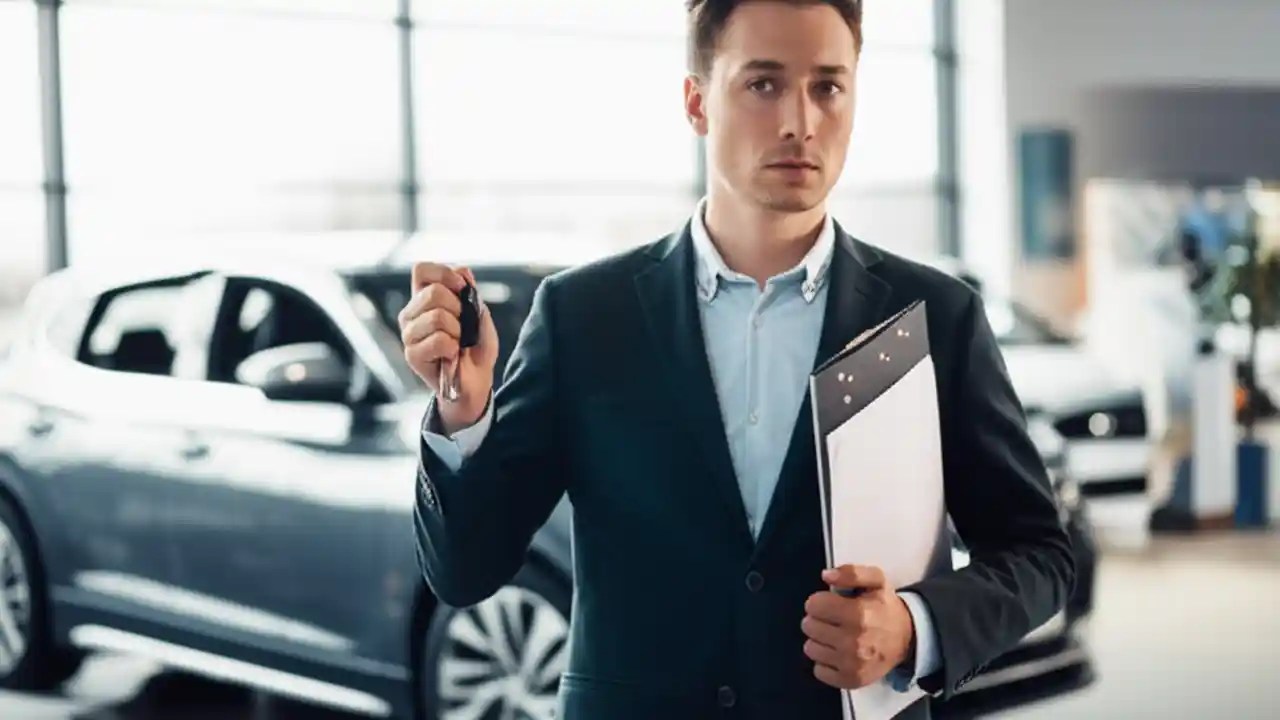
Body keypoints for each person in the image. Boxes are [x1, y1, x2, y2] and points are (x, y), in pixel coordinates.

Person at [400, 1, 1074, 717]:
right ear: (697, 102)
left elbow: (1039, 555)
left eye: (827, 87)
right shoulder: (584, 315)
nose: (800, 122)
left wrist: (913, 625)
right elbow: (465, 572)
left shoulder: (937, 316)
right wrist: (464, 411)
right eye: (763, 84)